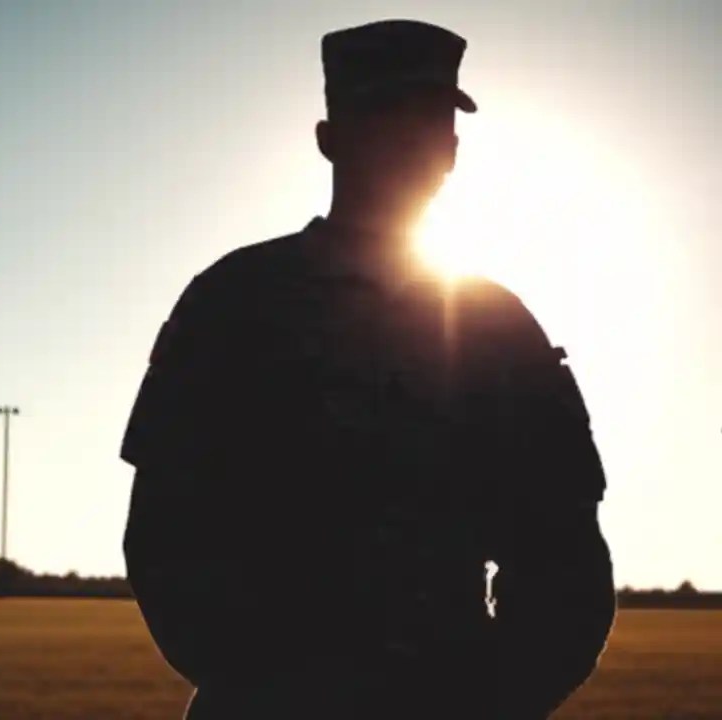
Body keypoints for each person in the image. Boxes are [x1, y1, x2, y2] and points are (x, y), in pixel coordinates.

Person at [120, 19, 615, 719]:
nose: (411, 138)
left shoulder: (498, 327)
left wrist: (493, 699)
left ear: (453, 149)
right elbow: (166, 532)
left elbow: (563, 550)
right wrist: (266, 685)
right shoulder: (234, 302)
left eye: (430, 119)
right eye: (385, 113)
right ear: (330, 138)